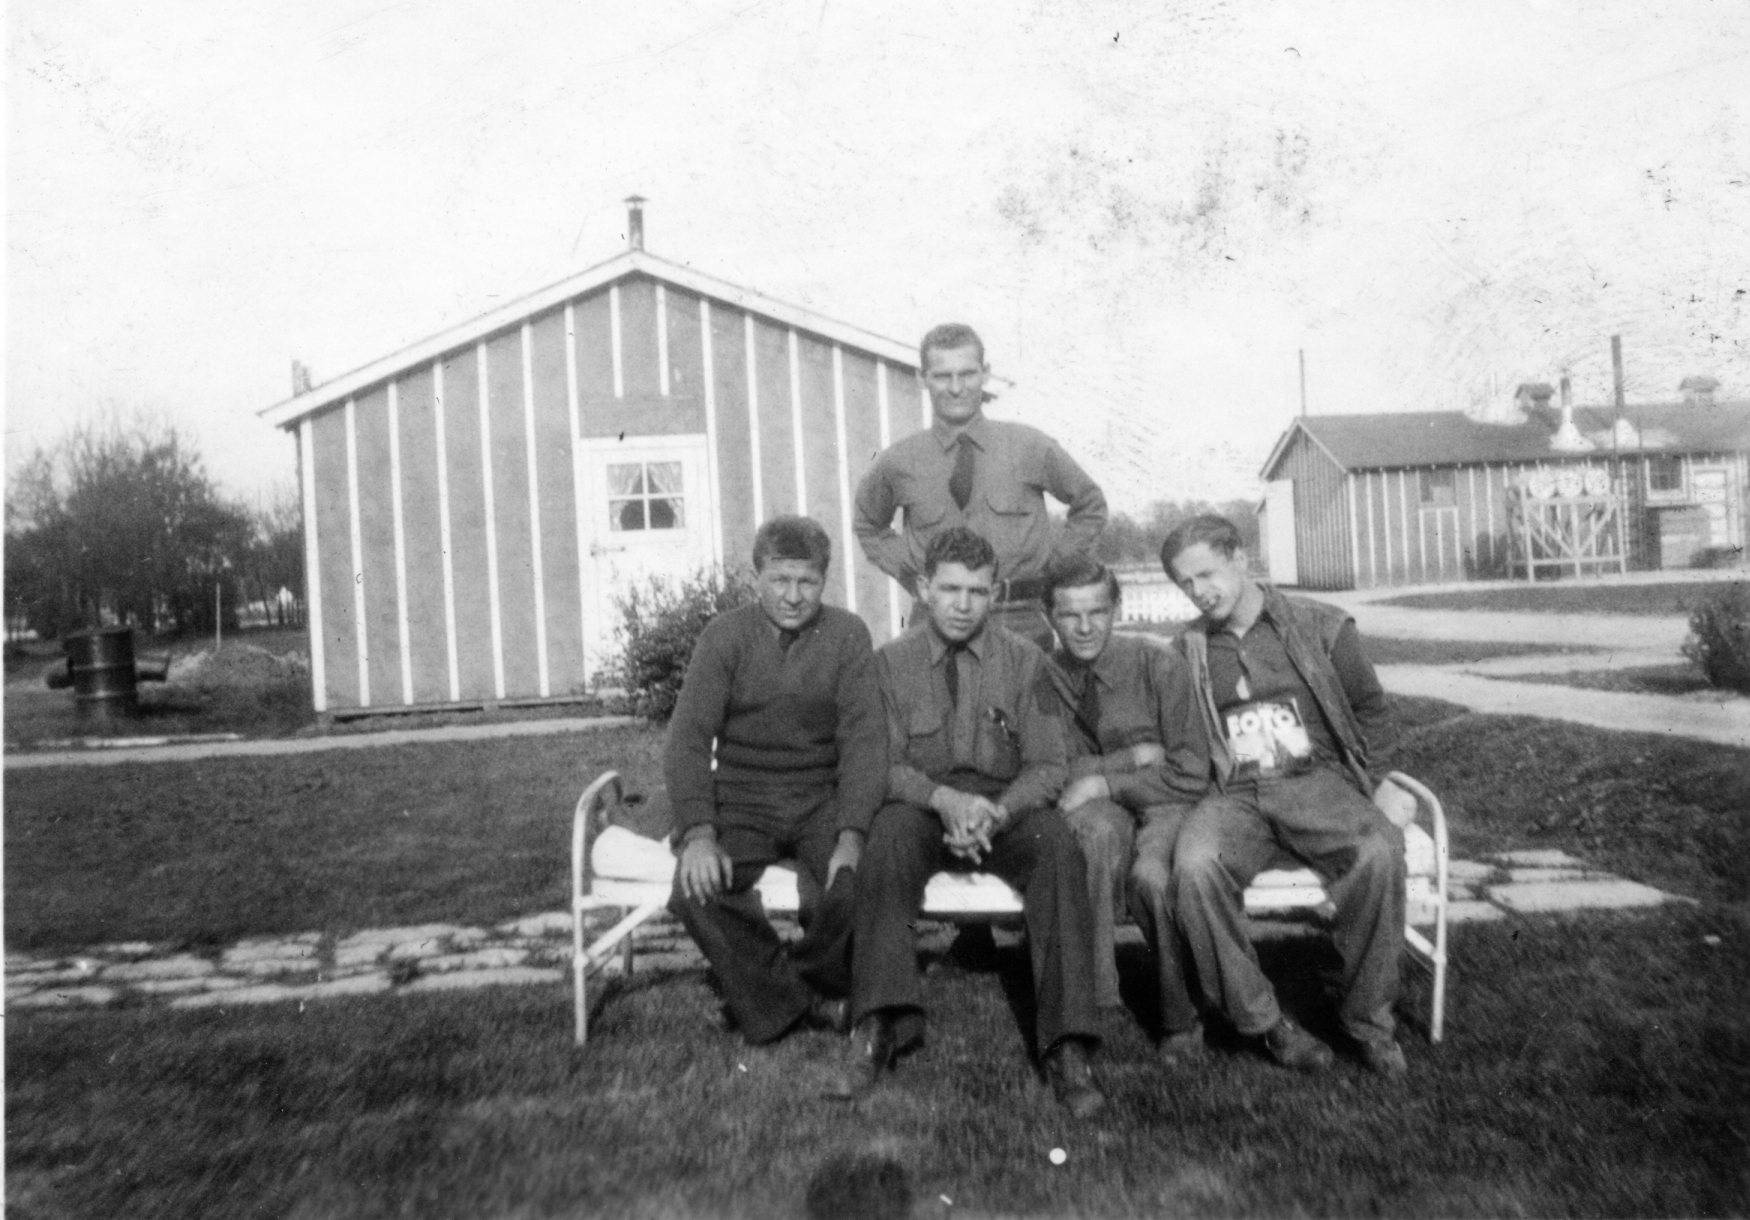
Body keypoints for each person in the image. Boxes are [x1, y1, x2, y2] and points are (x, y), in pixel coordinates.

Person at [837, 526, 1107, 1118]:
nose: (963, 605)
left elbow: (1048, 764)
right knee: (887, 841)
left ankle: (1067, 1046)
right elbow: (882, 764)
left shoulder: (1027, 662)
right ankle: (878, 1023)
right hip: (921, 803)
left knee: (1057, 847)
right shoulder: (889, 665)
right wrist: (943, 800)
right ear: (923, 588)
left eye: (977, 591)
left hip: (1002, 805)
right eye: (951, 589)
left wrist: (1000, 810)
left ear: (996, 593)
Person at [1155, 514, 1417, 1078]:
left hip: (1318, 783)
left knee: (1378, 851)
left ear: (1240, 559)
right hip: (1235, 793)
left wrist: (1379, 783)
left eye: (1207, 574)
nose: (1200, 592)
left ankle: (1368, 1022)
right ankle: (1267, 1023)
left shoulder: (1322, 625)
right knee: (1196, 867)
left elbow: (1371, 711)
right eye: (1186, 583)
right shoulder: (1186, 649)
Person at [665, 515, 888, 1046]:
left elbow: (864, 742)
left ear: (824, 580)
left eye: (807, 581)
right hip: (742, 799)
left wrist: (852, 835)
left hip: (820, 797)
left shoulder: (847, 635)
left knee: (854, 882)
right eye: (780, 580)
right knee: (696, 888)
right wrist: (700, 833)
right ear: (757, 576)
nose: (792, 596)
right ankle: (803, 1000)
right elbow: (687, 740)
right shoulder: (725, 636)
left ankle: (773, 990)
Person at [853, 322, 1107, 648]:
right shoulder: (900, 460)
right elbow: (868, 524)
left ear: (985, 374)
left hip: (1018, 619)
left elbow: (1090, 503)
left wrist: (1056, 566)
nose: (956, 388)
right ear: (922, 378)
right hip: (934, 623)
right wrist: (910, 571)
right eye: (942, 376)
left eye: (967, 374)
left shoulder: (1028, 446)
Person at [1042, 556, 1204, 1058]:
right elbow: (1051, 766)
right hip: (1105, 799)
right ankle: (1097, 998)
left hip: (1164, 797)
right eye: (1070, 615)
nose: (1085, 627)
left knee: (1152, 878)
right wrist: (1129, 758)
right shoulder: (1044, 676)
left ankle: (1180, 1015)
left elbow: (1190, 768)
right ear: (1049, 617)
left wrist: (1103, 782)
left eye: (1097, 611)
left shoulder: (1158, 664)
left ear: (1117, 608)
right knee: (1092, 835)